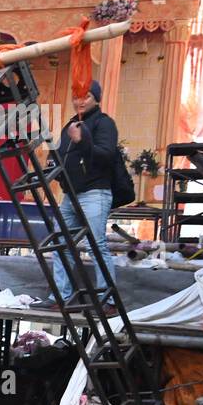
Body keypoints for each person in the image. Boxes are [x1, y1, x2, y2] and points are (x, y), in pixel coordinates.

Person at [41, 80, 119, 315]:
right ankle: (60, 297)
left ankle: (109, 302)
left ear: (96, 98)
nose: (80, 100)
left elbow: (105, 156)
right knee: (62, 245)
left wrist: (81, 141)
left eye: (85, 96)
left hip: (94, 193)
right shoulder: (71, 125)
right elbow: (61, 158)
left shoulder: (105, 124)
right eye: (76, 96)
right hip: (70, 196)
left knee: (96, 245)